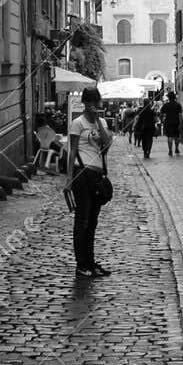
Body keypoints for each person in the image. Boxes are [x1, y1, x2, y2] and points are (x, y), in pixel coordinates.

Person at [68, 87, 113, 278]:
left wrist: (99, 122)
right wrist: (69, 178)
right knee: (82, 220)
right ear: (84, 103)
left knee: (93, 221)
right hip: (81, 174)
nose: (93, 105)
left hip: (97, 175)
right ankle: (81, 264)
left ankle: (91, 262)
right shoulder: (77, 123)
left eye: (96, 102)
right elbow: (72, 150)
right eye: (90, 102)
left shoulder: (101, 122)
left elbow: (107, 146)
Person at [162, 89, 182, 156]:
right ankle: (176, 148)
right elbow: (180, 115)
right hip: (176, 122)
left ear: (169, 97)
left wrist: (164, 119)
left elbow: (162, 113)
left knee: (169, 136)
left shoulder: (166, 105)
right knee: (176, 136)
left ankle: (170, 150)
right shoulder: (178, 104)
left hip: (168, 122)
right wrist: (180, 123)